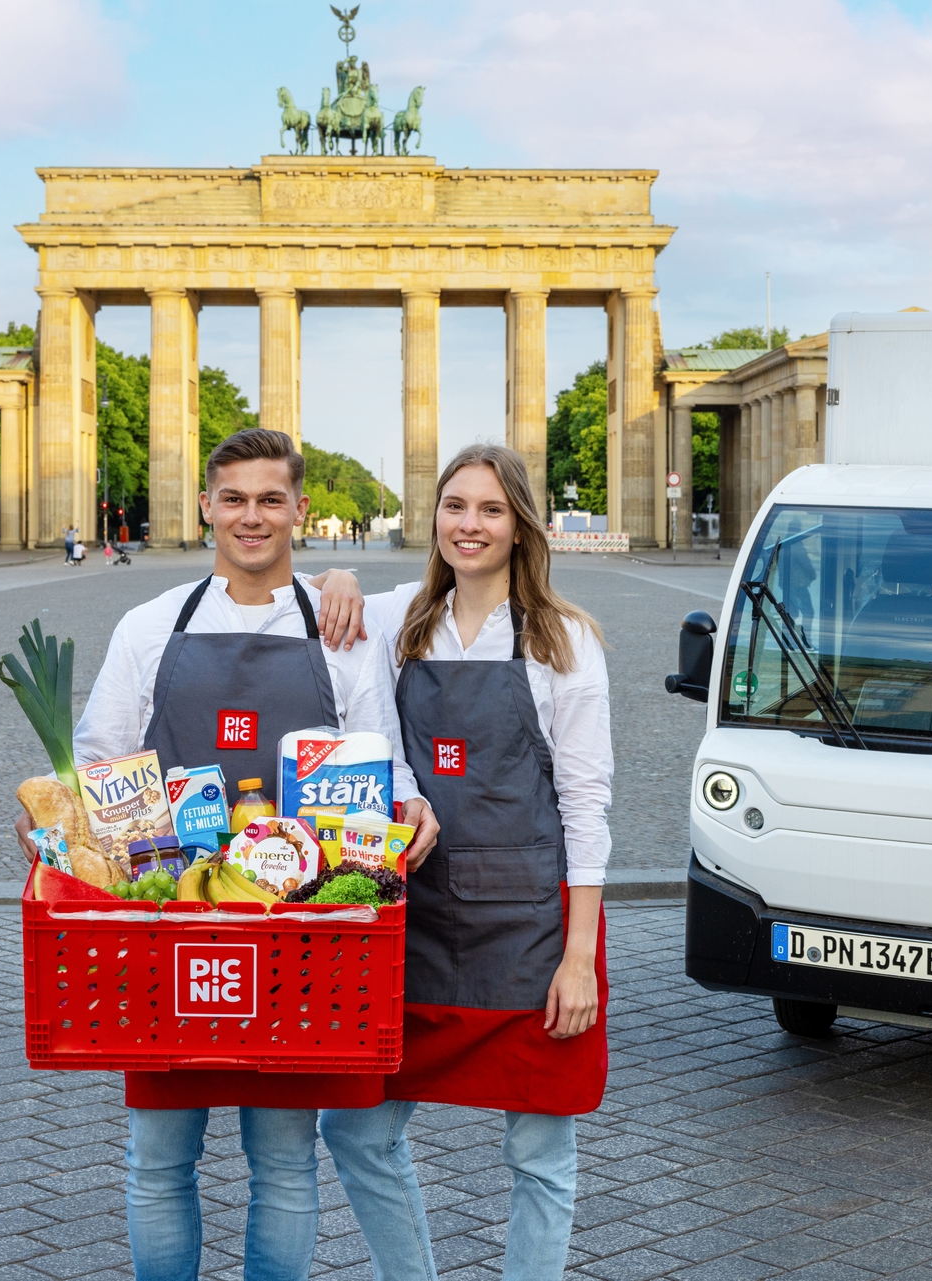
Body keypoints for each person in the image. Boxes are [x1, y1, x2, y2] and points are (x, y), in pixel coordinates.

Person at [29, 427, 440, 1281]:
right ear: (209, 506)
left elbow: (382, 754)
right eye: (235, 499)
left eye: (270, 499)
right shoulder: (148, 627)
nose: (252, 517)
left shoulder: (340, 628)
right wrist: (61, 821)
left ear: (297, 508)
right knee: (157, 1155)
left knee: (286, 1163)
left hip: (301, 937)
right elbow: (100, 757)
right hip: (166, 924)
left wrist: (412, 803)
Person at [336, 442, 613, 1279]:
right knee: (355, 1130)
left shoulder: (564, 640)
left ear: (521, 525)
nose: (470, 524)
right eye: (456, 505)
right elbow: (302, 600)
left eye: (491, 509)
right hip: (417, 924)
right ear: (434, 518)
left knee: (539, 1148)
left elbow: (587, 805)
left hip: (530, 930)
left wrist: (579, 959)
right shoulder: (397, 621)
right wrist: (337, 579)